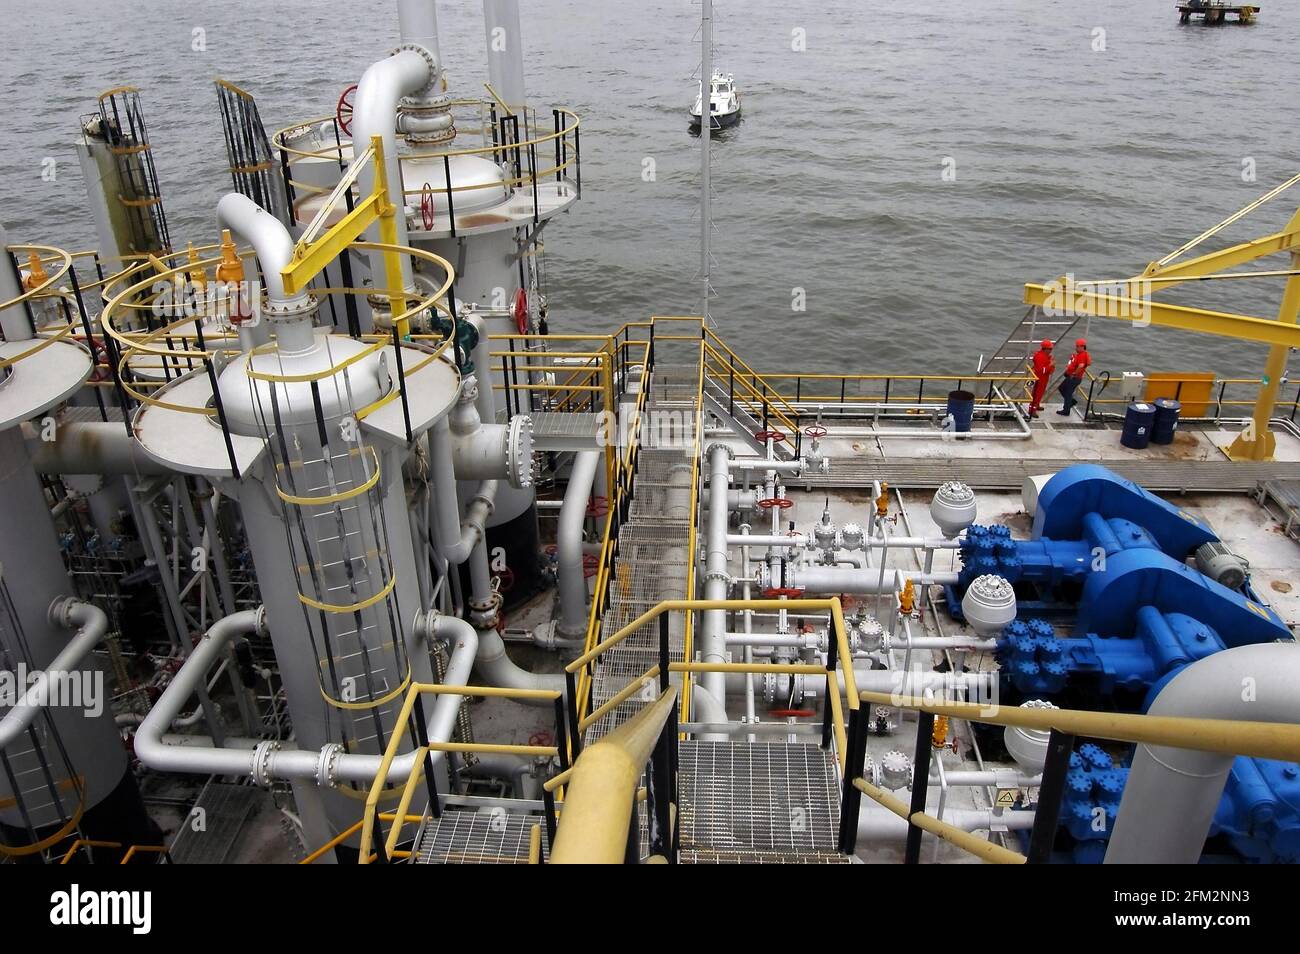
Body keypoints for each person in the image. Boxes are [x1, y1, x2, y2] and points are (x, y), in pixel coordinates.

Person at [1057, 338, 1091, 416]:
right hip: (1072, 377)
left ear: (1082, 347)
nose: (1076, 348)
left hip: (1074, 378)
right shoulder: (1081, 354)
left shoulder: (1082, 355)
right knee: (1062, 388)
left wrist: (1074, 374)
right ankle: (1070, 402)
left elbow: (1081, 366)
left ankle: (1066, 410)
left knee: (1068, 393)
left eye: (1077, 347)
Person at [1027, 339, 1054, 417]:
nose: (1051, 350)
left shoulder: (1045, 356)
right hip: (1039, 379)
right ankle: (1032, 410)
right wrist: (1051, 365)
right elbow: (1041, 370)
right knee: (1036, 394)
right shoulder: (1040, 357)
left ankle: (1037, 405)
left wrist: (1050, 363)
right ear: (1045, 349)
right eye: (1050, 349)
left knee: (1040, 393)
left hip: (1044, 378)